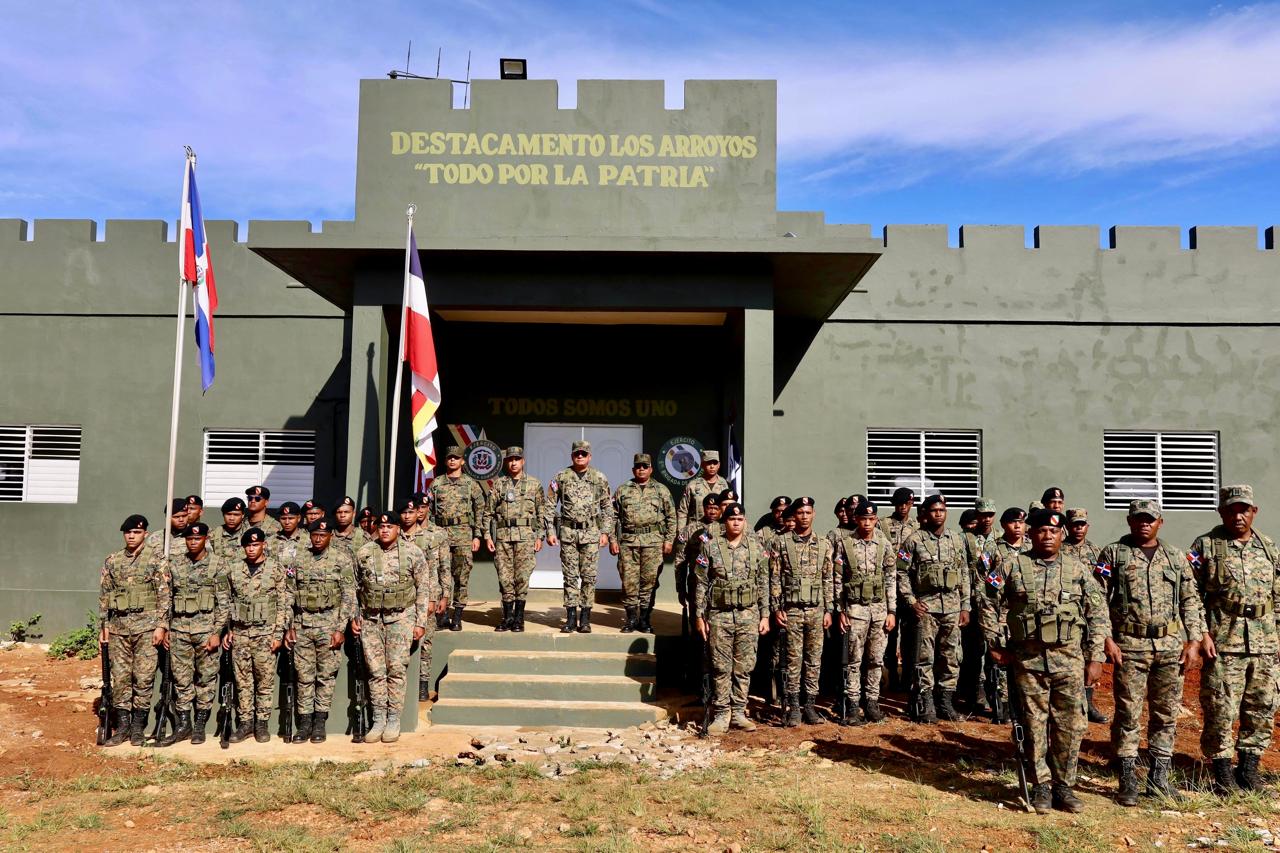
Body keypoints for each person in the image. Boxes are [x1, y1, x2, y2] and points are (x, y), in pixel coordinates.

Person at [980, 508, 1108, 814]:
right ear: (1031, 533)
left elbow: (1097, 612)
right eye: (1040, 530)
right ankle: (1040, 785)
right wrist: (995, 644)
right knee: (1033, 724)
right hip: (1028, 662)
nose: (1047, 536)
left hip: (1069, 661)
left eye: (1053, 531)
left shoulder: (1077, 569)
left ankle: (1064, 785)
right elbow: (986, 600)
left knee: (1071, 725)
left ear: (1061, 534)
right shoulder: (1012, 565)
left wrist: (1095, 656)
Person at [1096, 499, 1209, 805]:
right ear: (1129, 521)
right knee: (1128, 713)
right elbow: (1097, 600)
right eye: (1139, 518)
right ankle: (1127, 778)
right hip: (1129, 646)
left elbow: (1190, 599)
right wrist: (1106, 639)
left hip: (1169, 648)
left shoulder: (1174, 556)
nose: (1144, 523)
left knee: (1166, 714)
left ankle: (1158, 778)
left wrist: (1193, 641)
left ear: (1161, 522)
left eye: (1150, 519)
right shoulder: (1114, 554)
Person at [1190, 484, 1280, 793]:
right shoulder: (1205, 546)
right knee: (1221, 708)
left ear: (1254, 512)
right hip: (1224, 642)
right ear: (1221, 512)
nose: (1237, 516)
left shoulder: (1268, 547)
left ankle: (1249, 771)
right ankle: (1223, 775)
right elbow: (1190, 594)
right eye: (1231, 510)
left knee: (1261, 707)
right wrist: (1201, 634)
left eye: (1243, 510)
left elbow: (1277, 595)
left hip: (1265, 643)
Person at [353, 511, 434, 743]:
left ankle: (393, 719)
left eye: (390, 526)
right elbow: (354, 588)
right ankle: (378, 719)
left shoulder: (413, 553)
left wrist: (420, 622)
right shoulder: (364, 553)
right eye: (381, 526)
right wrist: (354, 617)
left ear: (398, 528)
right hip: (371, 619)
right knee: (376, 670)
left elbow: (423, 588)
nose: (385, 530)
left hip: (401, 618)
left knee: (396, 669)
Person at [693, 502, 770, 733]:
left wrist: (765, 615)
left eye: (740, 519)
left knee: (744, 667)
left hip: (748, 614)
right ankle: (721, 714)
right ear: (724, 521)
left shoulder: (756, 548)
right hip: (720, 615)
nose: (736, 523)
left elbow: (763, 583)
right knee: (720, 666)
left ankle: (738, 712)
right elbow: (701, 583)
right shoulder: (710, 547)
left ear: (744, 521)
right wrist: (699, 616)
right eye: (731, 519)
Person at [98, 514, 170, 746]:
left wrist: (161, 626)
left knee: (143, 678)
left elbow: (164, 595)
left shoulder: (156, 559)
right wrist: (104, 627)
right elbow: (105, 596)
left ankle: (138, 727)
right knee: (120, 679)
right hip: (118, 630)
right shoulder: (113, 560)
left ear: (145, 534)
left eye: (136, 532)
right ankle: (123, 727)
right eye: (128, 532)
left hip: (147, 629)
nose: (131, 536)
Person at [897, 494, 969, 722]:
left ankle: (945, 702)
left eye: (942, 510)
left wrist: (965, 606)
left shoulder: (956, 539)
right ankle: (925, 702)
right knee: (924, 657)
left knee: (951, 657)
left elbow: (964, 573)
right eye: (934, 510)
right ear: (925, 514)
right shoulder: (913, 540)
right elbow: (900, 572)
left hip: (952, 607)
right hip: (926, 608)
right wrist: (911, 601)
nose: (939, 514)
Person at [286, 517, 356, 743]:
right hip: (303, 625)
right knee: (304, 676)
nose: (317, 539)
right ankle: (305, 722)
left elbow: (348, 596)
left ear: (330, 536)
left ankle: (319, 721)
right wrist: (289, 626)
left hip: (329, 625)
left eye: (322, 535)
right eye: (314, 535)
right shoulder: (298, 559)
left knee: (326, 676)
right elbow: (288, 594)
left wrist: (340, 628)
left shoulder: (341, 560)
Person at [223, 528, 293, 744]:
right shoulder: (234, 569)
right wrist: (228, 630)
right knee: (243, 680)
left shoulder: (276, 569)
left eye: (255, 545)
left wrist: (278, 634)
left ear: (264, 545)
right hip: (241, 633)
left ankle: (261, 723)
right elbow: (227, 602)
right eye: (248, 546)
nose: (251, 549)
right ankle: (245, 723)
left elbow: (283, 604)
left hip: (266, 633)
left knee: (264, 680)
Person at [770, 496, 834, 726]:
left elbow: (828, 579)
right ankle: (794, 706)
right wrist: (776, 608)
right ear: (794, 516)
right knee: (793, 660)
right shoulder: (781, 543)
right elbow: (774, 578)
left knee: (814, 660)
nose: (804, 517)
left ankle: (810, 705)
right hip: (792, 610)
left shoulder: (824, 544)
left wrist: (829, 609)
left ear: (813, 514)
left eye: (808, 512)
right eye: (800, 513)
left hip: (816, 610)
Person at [163, 522, 229, 746]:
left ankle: (200, 725)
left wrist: (217, 632)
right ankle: (184, 725)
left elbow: (224, 603)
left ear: (205, 539)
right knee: (181, 679)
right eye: (189, 539)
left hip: (206, 632)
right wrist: (165, 627)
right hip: (179, 630)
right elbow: (167, 599)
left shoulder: (218, 564)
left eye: (197, 539)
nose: (192, 542)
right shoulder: (175, 564)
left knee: (206, 679)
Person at [834, 499, 897, 725]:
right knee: (854, 660)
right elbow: (837, 579)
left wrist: (892, 611)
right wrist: (840, 610)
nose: (867, 523)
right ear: (856, 519)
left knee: (876, 659)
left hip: (879, 611)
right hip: (855, 610)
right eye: (863, 519)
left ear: (876, 519)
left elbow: (891, 579)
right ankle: (852, 705)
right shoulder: (845, 544)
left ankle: (872, 703)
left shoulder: (884, 544)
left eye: (871, 519)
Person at [546, 440, 614, 634]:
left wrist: (605, 532)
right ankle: (570, 618)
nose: (580, 456)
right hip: (568, 534)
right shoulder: (561, 477)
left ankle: (585, 618)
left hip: (591, 534)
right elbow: (549, 506)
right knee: (570, 577)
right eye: (577, 453)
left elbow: (607, 508)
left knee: (589, 577)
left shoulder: (599, 478)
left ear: (589, 456)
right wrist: (550, 531)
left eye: (584, 454)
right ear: (572, 456)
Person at [484, 447, 550, 633]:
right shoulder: (499, 484)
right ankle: (507, 618)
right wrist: (487, 536)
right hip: (503, 537)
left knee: (522, 577)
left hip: (526, 538)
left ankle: (519, 619)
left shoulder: (534, 484)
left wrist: (540, 536)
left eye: (517, 459)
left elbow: (541, 513)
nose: (513, 463)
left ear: (523, 461)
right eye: (510, 459)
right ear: (506, 462)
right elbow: (488, 513)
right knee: (504, 577)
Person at [611, 453, 676, 633]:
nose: (641, 469)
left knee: (649, 581)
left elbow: (671, 517)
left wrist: (669, 540)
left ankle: (645, 620)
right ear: (633, 470)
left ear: (650, 469)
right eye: (638, 466)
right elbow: (612, 517)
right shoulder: (623, 490)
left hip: (653, 543)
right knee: (629, 581)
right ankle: (631, 619)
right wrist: (612, 540)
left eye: (645, 466)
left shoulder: (661, 490)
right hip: (628, 542)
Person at [398, 497, 450, 701]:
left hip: (427, 595)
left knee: (426, 642)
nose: (411, 515)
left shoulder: (431, 536)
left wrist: (442, 596)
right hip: (403, 597)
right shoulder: (396, 534)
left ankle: (423, 683)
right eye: (407, 511)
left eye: (416, 510)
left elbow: (440, 568)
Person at [430, 446, 487, 632]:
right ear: (446, 461)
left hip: (463, 536)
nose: (453, 460)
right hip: (441, 536)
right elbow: (428, 511)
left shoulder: (471, 484)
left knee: (462, 576)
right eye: (450, 458)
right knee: (440, 575)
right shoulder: (437, 484)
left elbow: (480, 509)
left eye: (456, 458)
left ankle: (457, 616)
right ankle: (443, 614)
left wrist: (477, 535)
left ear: (462, 461)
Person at [1063, 507, 1108, 724]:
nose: (1078, 528)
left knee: (1091, 654)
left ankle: (1088, 704)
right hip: (1068, 612)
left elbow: (1104, 583)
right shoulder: (1060, 549)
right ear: (1067, 527)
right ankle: (1070, 703)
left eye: (1082, 524)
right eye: (1074, 525)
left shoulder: (1096, 551)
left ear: (1087, 526)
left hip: (1090, 611)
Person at [957, 498, 998, 712]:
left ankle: (994, 694)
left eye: (990, 515)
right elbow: (962, 571)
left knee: (995, 649)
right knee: (972, 650)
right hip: (973, 601)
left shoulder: (1000, 538)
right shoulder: (965, 538)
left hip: (996, 604)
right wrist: (965, 604)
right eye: (983, 515)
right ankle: (973, 693)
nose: (987, 519)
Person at [880, 487, 918, 692]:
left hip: (909, 588)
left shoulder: (917, 526)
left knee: (910, 634)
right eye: (900, 503)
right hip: (888, 587)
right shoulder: (882, 524)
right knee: (889, 633)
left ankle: (908, 678)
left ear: (911, 504)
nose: (903, 507)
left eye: (907, 503)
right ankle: (892, 674)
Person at [676, 450, 728, 531]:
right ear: (702, 465)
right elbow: (683, 511)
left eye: (715, 463)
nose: (712, 466)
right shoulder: (693, 485)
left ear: (719, 465)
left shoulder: (725, 485)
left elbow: (728, 511)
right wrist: (681, 532)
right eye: (708, 463)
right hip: (695, 531)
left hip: (718, 531)